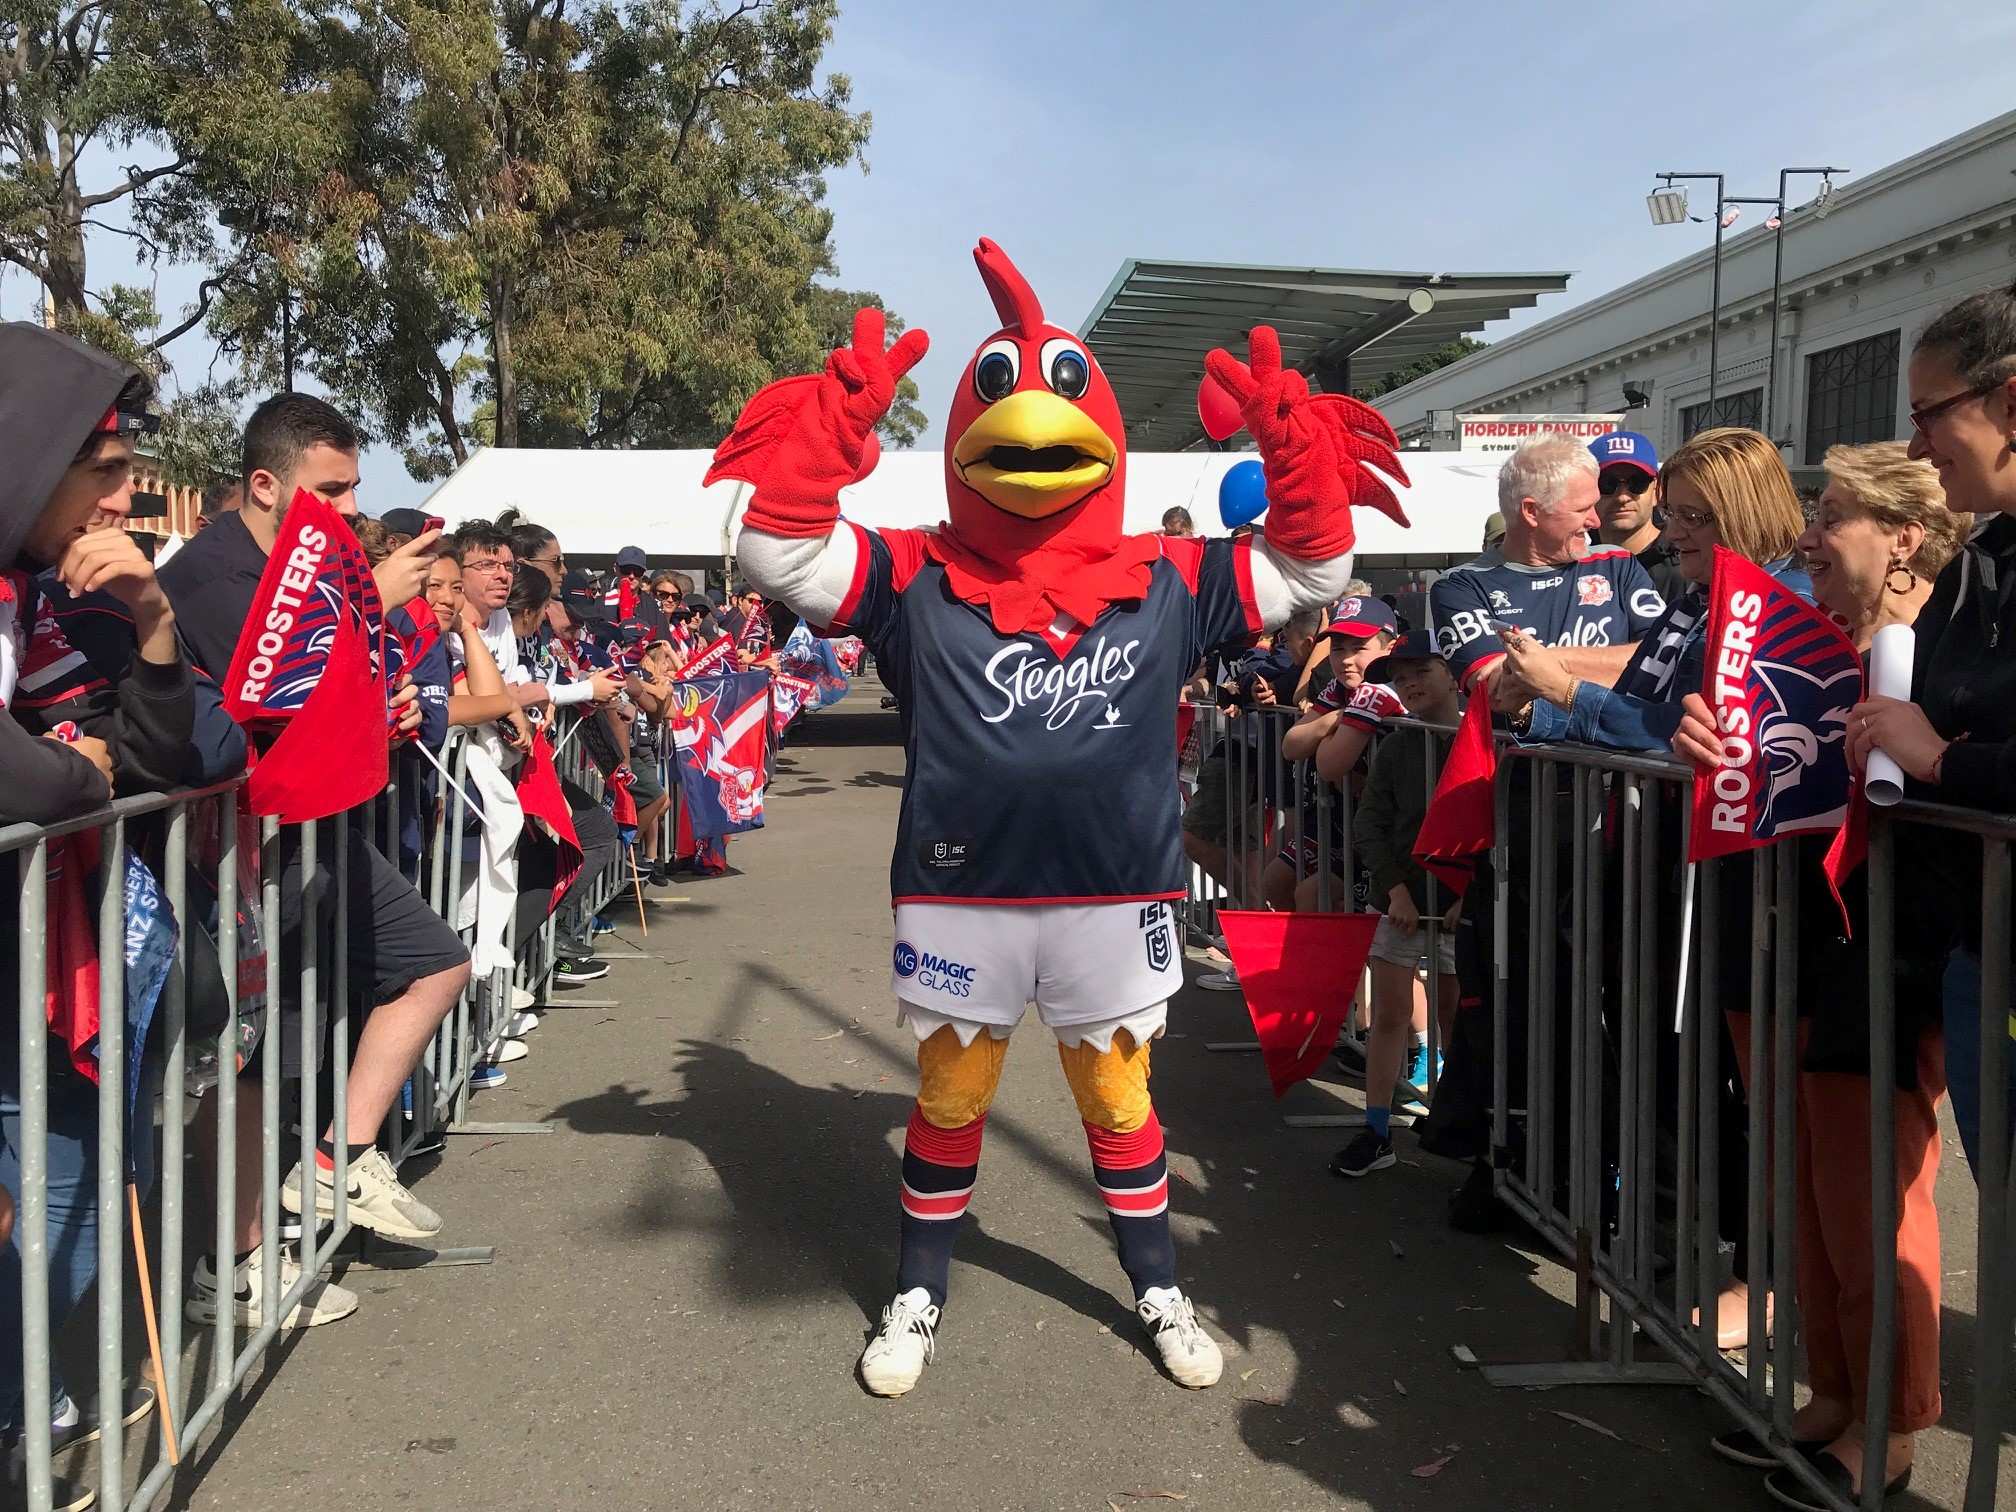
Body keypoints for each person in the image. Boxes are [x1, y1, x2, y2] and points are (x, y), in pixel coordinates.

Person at [724, 243, 1398, 1398]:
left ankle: (1158, 1287)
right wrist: (833, 429)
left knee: (1120, 1105)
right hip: (961, 891)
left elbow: (1318, 572)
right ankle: (919, 1290)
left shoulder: (1177, 574)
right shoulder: (911, 572)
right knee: (948, 1102)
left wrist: (1289, 441)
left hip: (1116, 890)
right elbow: (773, 549)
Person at [1670, 442, 1965, 1509]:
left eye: (1832, 511)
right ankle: (1835, 1395)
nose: (1805, 531)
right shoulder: (1809, 635)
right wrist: (1702, 736)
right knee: (1802, 1192)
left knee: (1870, 1197)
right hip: (1780, 946)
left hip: (1883, 961)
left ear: (1902, 537)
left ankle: (1892, 1423)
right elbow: (1745, 765)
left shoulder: (1947, 646)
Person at [159, 392, 471, 1327]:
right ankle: (237, 1270)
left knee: (433, 962)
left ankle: (335, 1167)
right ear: (265, 485)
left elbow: (326, 695)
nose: (347, 511)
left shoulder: (315, 568)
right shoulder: (211, 574)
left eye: (351, 490)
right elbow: (265, 693)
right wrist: (375, 598)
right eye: (329, 492)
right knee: (253, 1061)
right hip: (241, 850)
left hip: (316, 833)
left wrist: (389, 703)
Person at [1500, 426, 1805, 1348]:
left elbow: (1686, 735)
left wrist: (1566, 690)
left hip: (1740, 882)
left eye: (1691, 517)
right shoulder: (1687, 598)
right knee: (1670, 1074)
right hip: (1661, 876)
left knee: (1743, 1086)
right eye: (1670, 516)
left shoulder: (1776, 598)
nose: (1670, 532)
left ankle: (1763, 1272)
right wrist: (1572, 699)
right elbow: (1650, 707)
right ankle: (1683, 1252)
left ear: (1742, 514)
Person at [0, 325, 208, 1496]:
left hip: (52, 952)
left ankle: (31, 1404)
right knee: (63, 1195)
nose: (128, 496)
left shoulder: (66, 587)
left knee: (77, 1183)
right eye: (107, 469)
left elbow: (171, 756)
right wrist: (81, 772)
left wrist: (153, 624)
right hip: (29, 953)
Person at [1421, 434, 1665, 1188]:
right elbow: (1500, 687)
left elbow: (1664, 662)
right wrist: (1604, 668)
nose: (1599, 524)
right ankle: (1514, 1164)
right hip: (1521, 837)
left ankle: (1619, 1170)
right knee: (1521, 1002)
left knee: (1627, 1008)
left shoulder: (1621, 568)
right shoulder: (1461, 586)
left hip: (1629, 829)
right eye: (1585, 508)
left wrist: (1550, 666)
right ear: (1532, 511)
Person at [1846, 279, 2016, 1199]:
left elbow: (1937, 747)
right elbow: (1916, 734)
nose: (1915, 446)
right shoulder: (1980, 566)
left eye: (1927, 414)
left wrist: (1939, 759)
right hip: (1982, 960)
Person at [1332, 630, 1463, 1178]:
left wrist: (1468, 895)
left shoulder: (1492, 739)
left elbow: (1503, 828)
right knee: (1388, 1016)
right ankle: (1377, 1129)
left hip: (1464, 908)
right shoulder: (1399, 742)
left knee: (1458, 1019)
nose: (1408, 684)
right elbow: (1371, 822)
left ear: (1453, 672)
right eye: (1399, 675)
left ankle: (1456, 1124)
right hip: (1402, 904)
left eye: (1420, 671)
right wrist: (1396, 891)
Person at [1590, 430, 1685, 601]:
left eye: (1637, 482)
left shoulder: (1686, 566)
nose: (1622, 497)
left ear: (1657, 491)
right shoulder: (1573, 564)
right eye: (1607, 484)